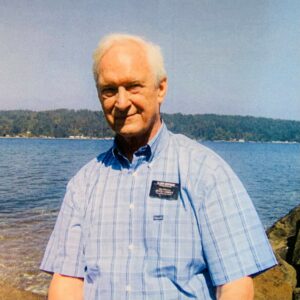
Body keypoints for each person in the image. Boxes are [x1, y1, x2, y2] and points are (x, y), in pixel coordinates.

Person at [40, 33, 277, 300]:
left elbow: (235, 286)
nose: (121, 102)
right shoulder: (83, 185)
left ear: (161, 88)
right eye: (109, 89)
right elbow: (67, 282)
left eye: (133, 86)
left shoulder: (206, 172)